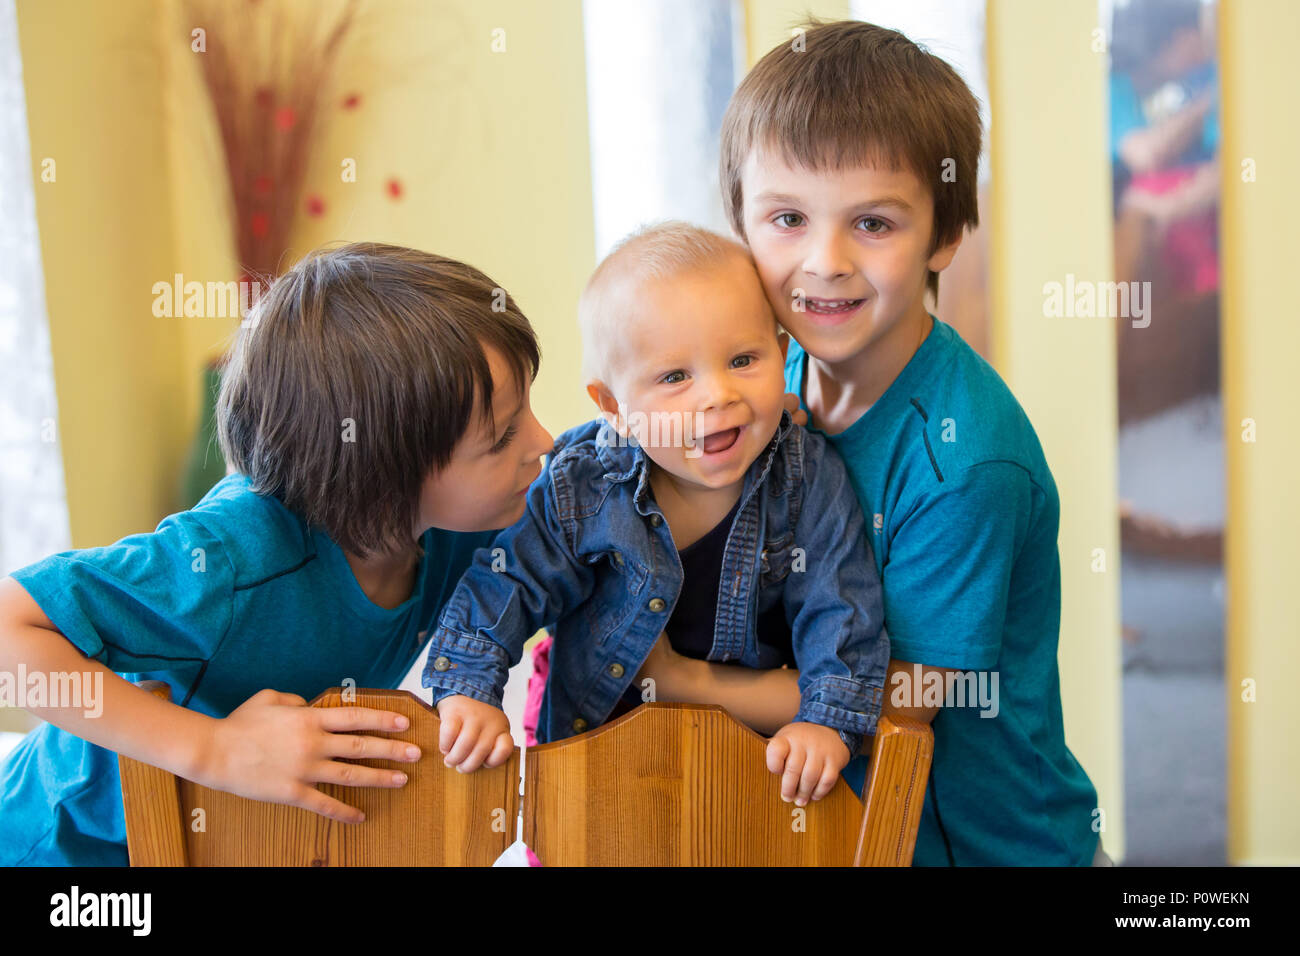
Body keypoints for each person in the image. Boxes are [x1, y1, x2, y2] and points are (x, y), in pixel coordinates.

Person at [641, 19, 1107, 865]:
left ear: (945, 236)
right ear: (739, 224)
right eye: (786, 217)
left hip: (982, 845)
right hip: (822, 821)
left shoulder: (964, 461)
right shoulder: (761, 372)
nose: (824, 261)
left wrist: (688, 684)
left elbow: (909, 695)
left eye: (875, 224)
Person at [0, 242, 553, 865]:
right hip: (62, 847)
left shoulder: (469, 521)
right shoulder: (233, 554)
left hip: (230, 839)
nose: (544, 442)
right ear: (381, 474)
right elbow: (9, 626)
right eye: (502, 436)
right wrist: (216, 751)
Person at [425, 221, 889, 808]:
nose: (718, 395)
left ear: (782, 352)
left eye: (744, 359)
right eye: (675, 377)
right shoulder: (584, 482)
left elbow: (840, 609)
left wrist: (827, 722)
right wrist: (469, 691)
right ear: (614, 407)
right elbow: (507, 583)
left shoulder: (806, 477)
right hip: (597, 747)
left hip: (744, 759)